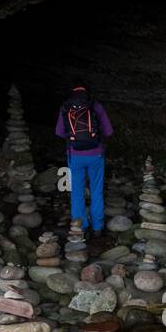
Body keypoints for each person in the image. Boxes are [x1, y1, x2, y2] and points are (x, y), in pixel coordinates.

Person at [54, 82, 113, 234]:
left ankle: (81, 226)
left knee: (76, 192)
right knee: (96, 190)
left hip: (75, 156)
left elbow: (59, 132)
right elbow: (108, 131)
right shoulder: (95, 106)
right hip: (96, 155)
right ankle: (98, 227)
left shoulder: (66, 107)